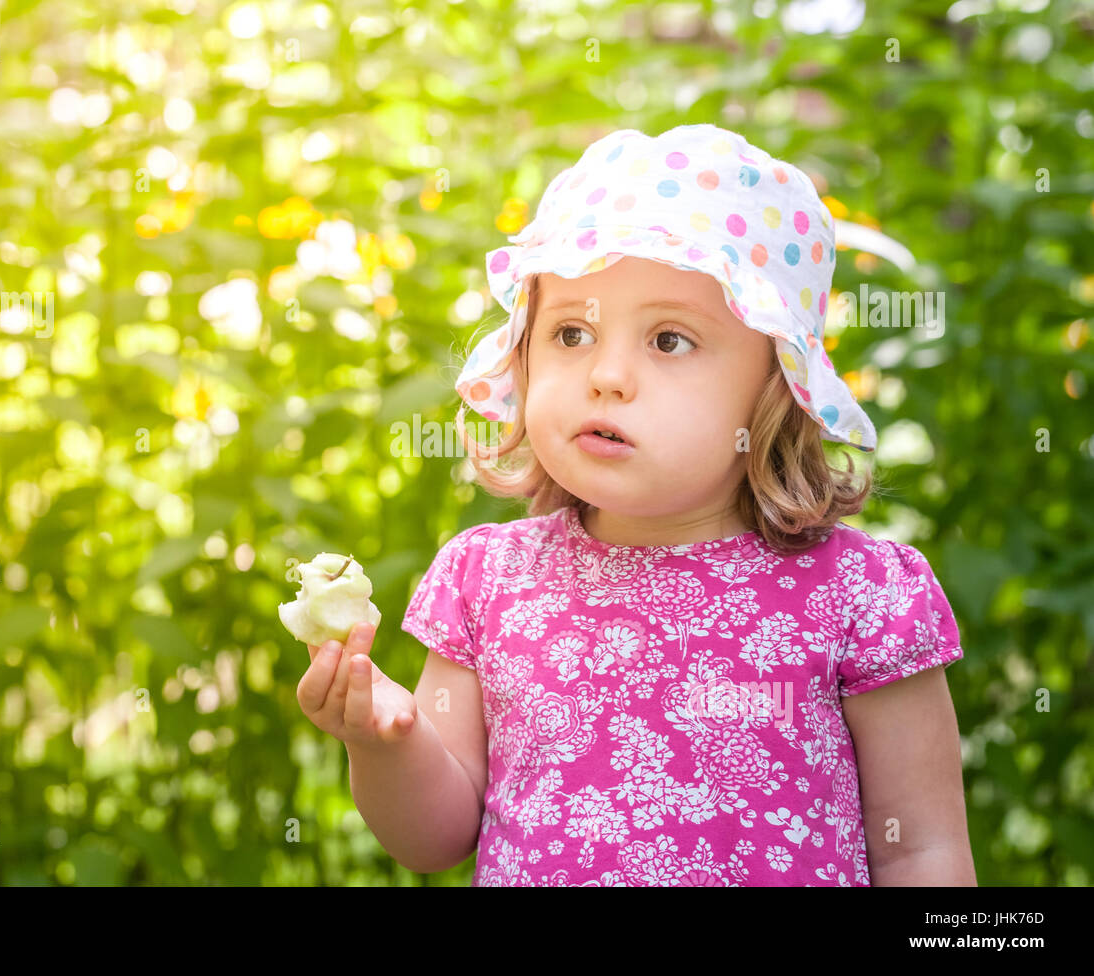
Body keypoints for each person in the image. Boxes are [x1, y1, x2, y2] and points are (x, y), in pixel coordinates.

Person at [296, 124, 973, 886]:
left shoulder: (858, 594)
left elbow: (921, 850)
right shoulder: (488, 583)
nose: (607, 375)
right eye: (572, 332)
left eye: (669, 341)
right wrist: (385, 743)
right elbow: (435, 839)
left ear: (777, 385)